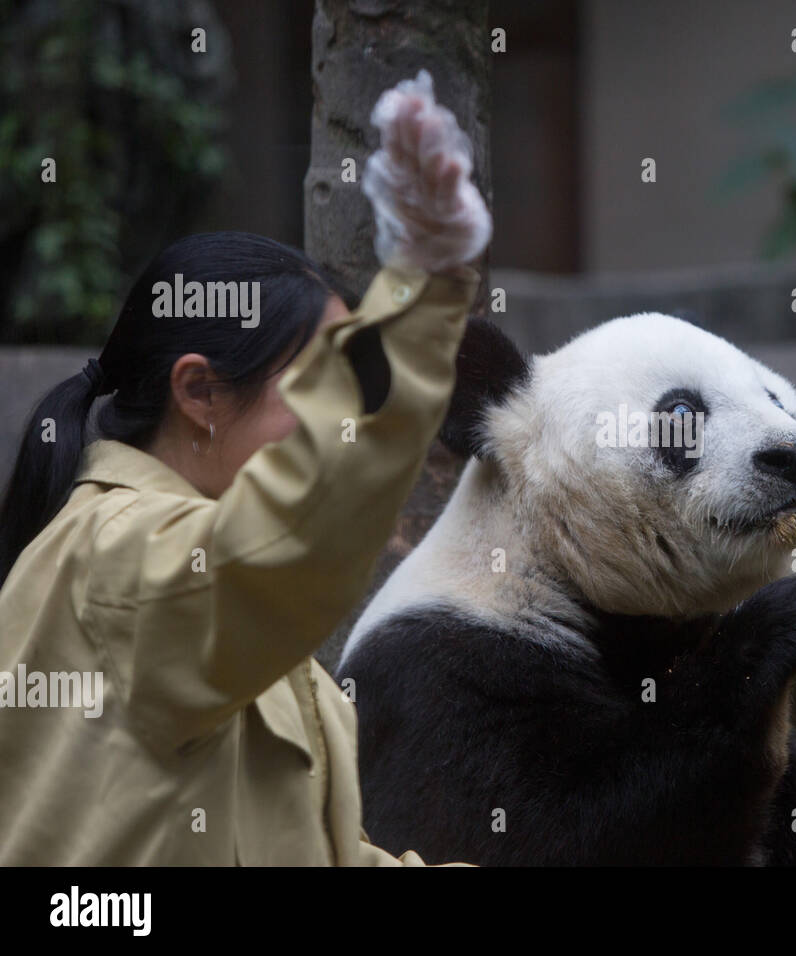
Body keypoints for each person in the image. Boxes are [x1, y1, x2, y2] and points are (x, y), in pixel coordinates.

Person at [0, 71, 490, 865]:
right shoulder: (120, 555)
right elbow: (297, 530)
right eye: (319, 386)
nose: (346, 426)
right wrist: (419, 298)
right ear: (198, 392)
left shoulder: (211, 594)